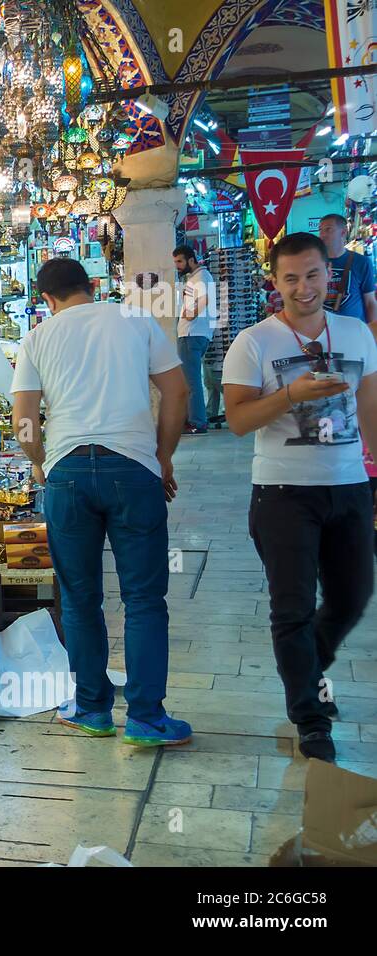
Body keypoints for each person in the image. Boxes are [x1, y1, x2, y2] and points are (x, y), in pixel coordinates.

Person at [11, 258, 192, 747]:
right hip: (134, 470)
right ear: (91, 287)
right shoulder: (136, 319)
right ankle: (148, 718)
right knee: (144, 600)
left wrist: (42, 459)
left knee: (79, 598)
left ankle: (92, 708)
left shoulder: (37, 338)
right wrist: (163, 456)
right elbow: (177, 393)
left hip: (68, 474)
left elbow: (23, 421)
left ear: (46, 300)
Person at [222, 231, 377, 763]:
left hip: (350, 485)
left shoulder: (357, 333)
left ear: (329, 273)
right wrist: (289, 393)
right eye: (291, 278)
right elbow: (239, 420)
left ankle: (308, 667)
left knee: (353, 595)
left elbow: (371, 405)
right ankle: (310, 719)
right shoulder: (255, 343)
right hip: (283, 492)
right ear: (275, 281)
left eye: (312, 274)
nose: (304, 287)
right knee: (290, 609)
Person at [173, 244, 218, 435]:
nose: (177, 265)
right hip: (191, 334)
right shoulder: (195, 278)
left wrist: (189, 314)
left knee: (191, 382)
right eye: (175, 262)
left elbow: (205, 299)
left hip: (192, 334)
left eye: (180, 261)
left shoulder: (202, 277)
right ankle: (193, 418)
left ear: (191, 260)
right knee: (189, 380)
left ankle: (197, 422)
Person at [317, 212, 377, 326]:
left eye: (328, 229)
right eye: (320, 230)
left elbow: (370, 302)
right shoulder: (316, 262)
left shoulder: (362, 262)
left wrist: (373, 333)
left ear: (343, 232)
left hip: (355, 331)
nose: (322, 234)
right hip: (324, 331)